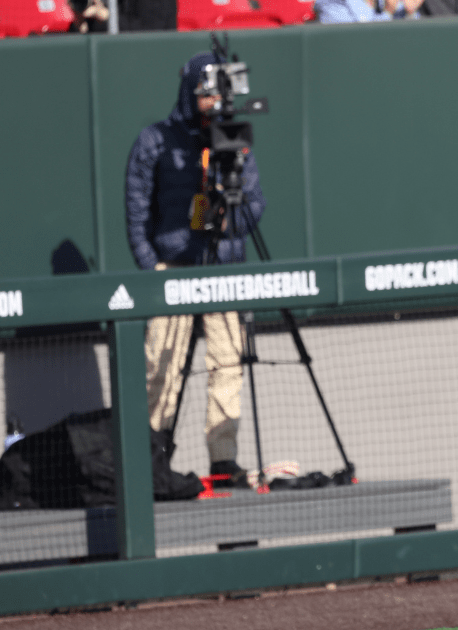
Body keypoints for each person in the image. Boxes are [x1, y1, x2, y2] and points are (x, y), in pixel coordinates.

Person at [125, 52, 266, 488]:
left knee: (228, 363)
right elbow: (136, 211)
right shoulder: (155, 141)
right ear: (189, 92)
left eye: (218, 92)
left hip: (223, 268)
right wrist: (152, 266)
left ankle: (223, 460)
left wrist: (226, 220)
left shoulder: (232, 140)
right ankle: (153, 456)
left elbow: (256, 205)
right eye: (205, 92)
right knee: (162, 367)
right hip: (174, 271)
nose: (212, 101)